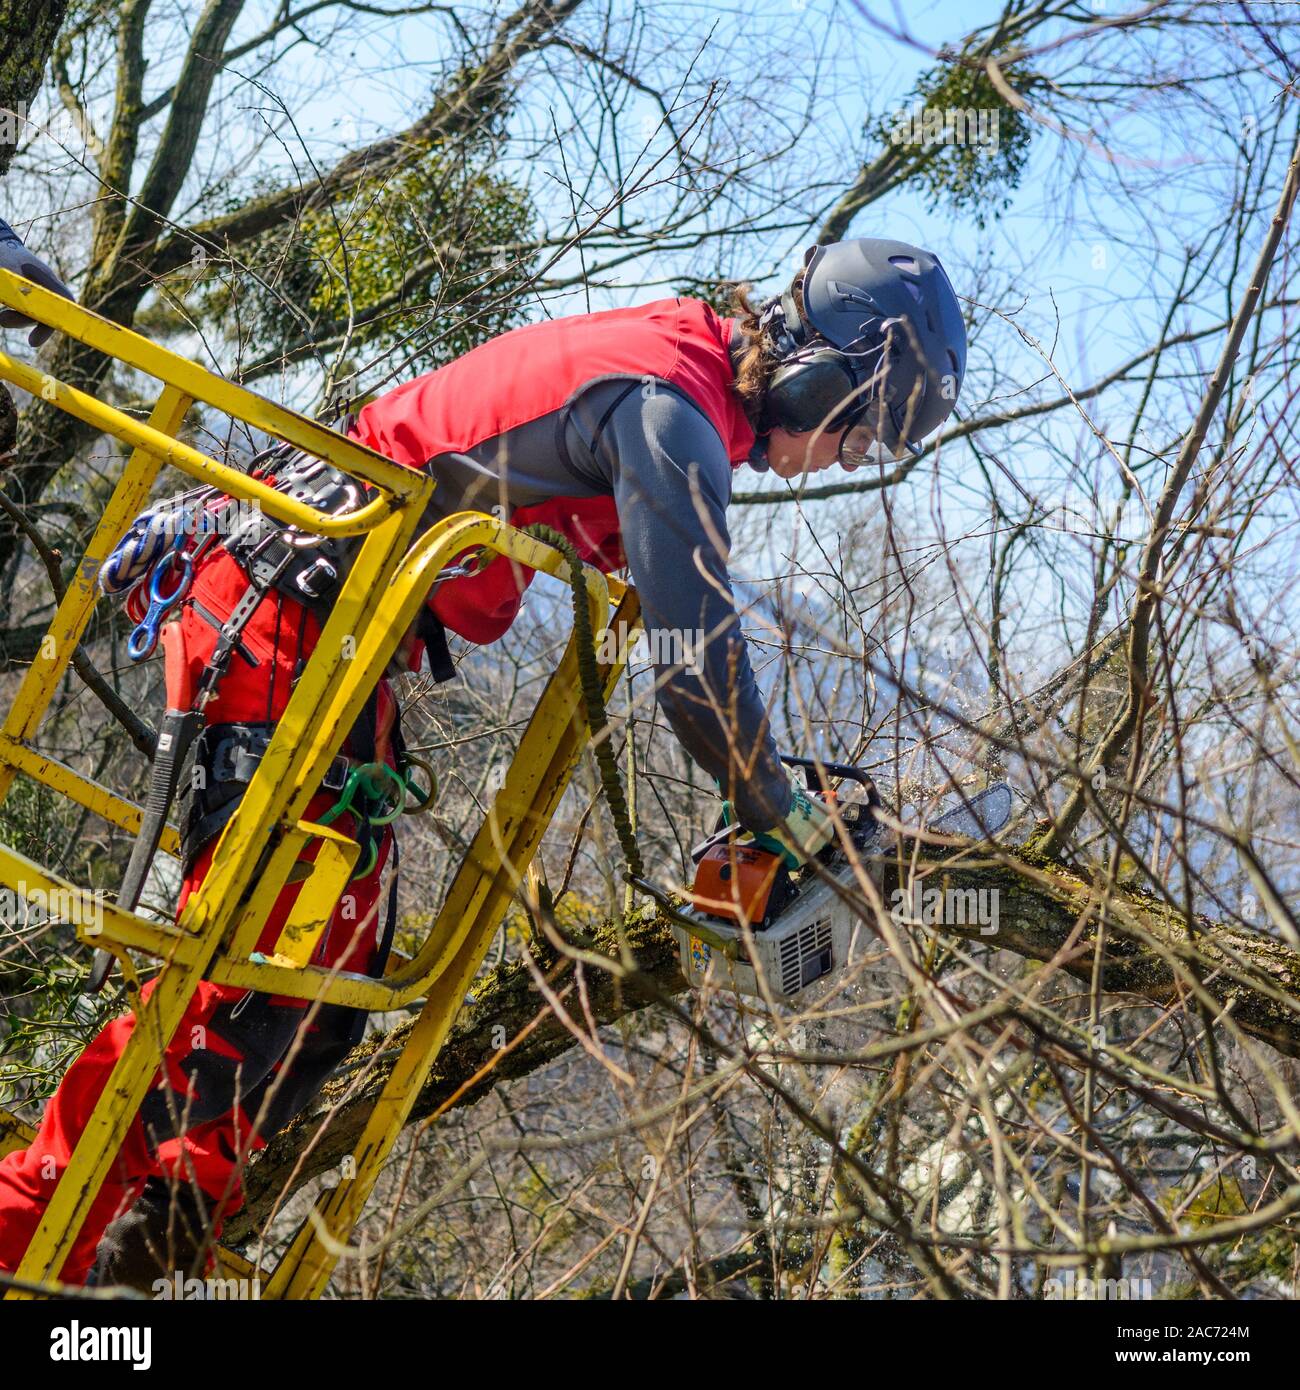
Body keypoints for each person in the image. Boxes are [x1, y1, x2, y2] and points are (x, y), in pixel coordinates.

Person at [0, 230, 967, 1284]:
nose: (847, 457)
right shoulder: (670, 409)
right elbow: (693, 668)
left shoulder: (681, 380)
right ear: (828, 376)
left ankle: (162, 1216)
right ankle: (40, 1224)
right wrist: (780, 810)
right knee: (253, 971)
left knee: (335, 974)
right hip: (287, 612)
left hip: (337, 638)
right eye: (858, 434)